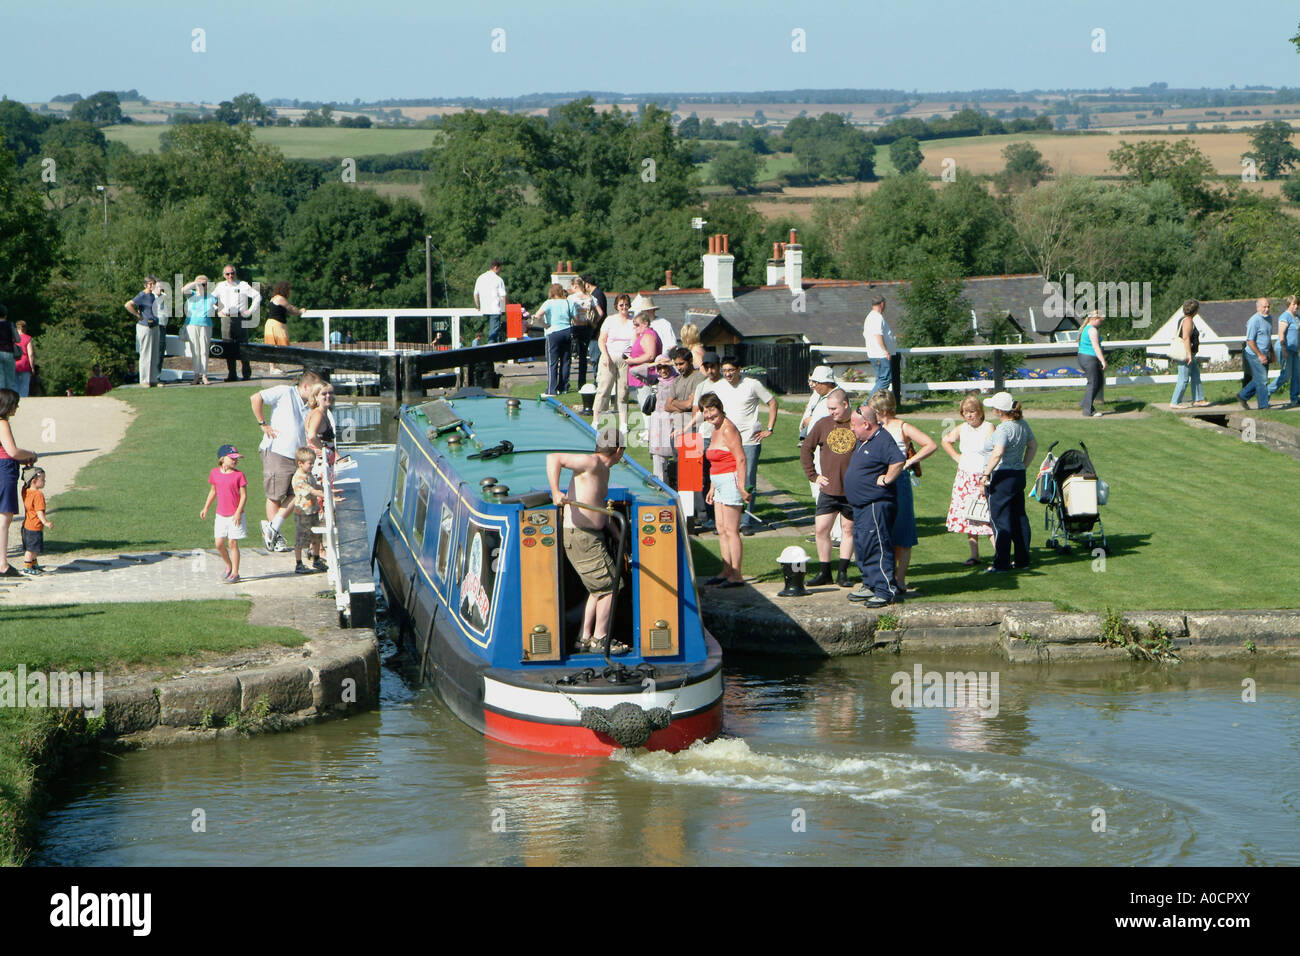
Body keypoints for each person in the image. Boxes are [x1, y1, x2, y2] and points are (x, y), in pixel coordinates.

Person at [547, 437, 628, 653]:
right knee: (611, 586)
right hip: (582, 537)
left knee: (597, 589)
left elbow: (599, 508)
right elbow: (554, 457)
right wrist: (556, 491)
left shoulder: (603, 470)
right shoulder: (591, 463)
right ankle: (600, 639)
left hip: (592, 536)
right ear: (619, 450)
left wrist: (618, 536)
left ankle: (584, 638)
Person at [869, 389, 936, 595]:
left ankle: (900, 578)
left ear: (883, 410)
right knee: (882, 531)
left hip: (900, 481)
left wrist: (909, 461)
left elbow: (930, 444)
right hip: (879, 480)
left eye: (875, 410)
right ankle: (884, 575)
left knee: (903, 530)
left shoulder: (902, 427)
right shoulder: (874, 427)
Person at [251, 370, 321, 553]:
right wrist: (262, 423)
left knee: (298, 493)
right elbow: (256, 397)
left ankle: (272, 529)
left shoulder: (310, 405)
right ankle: (276, 537)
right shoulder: (285, 392)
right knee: (275, 495)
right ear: (305, 386)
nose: (317, 394)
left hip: (297, 457)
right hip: (277, 452)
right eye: (314, 390)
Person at [843, 405, 905, 607]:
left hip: (875, 504)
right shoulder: (864, 440)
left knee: (877, 545)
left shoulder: (883, 439)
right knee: (862, 545)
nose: (852, 429)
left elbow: (898, 461)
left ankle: (885, 589)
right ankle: (869, 583)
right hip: (861, 505)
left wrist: (887, 480)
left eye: (854, 425)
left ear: (866, 424)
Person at [800, 388, 857, 587]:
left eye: (834, 408)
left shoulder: (858, 424)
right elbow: (806, 448)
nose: (831, 412)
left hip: (852, 490)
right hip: (829, 489)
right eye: (829, 408)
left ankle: (842, 572)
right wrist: (814, 476)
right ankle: (825, 572)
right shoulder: (823, 424)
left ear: (845, 405)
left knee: (848, 529)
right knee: (821, 529)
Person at [714, 356, 777, 536]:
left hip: (749, 439)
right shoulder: (718, 387)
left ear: (739, 369)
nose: (727, 374)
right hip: (727, 439)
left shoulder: (752, 384)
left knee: (747, 480)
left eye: (731, 370)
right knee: (727, 477)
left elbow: (773, 402)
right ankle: (728, 520)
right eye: (724, 371)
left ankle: (746, 520)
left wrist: (769, 428)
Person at [980, 391, 1037, 574]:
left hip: (1002, 477)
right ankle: (1022, 559)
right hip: (1018, 475)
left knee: (1000, 519)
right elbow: (1033, 445)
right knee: (1019, 517)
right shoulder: (1022, 424)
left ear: (998, 411)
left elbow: (998, 452)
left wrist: (985, 474)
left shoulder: (1003, 429)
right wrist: (1023, 465)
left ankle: (1001, 563)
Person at [698, 393, 749, 587]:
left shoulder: (728, 429)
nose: (709, 415)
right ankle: (726, 570)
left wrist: (742, 486)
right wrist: (712, 486)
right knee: (720, 529)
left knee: (731, 530)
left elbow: (741, 459)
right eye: (705, 412)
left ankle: (736, 574)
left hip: (730, 481)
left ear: (719, 407)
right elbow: (714, 462)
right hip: (718, 483)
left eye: (712, 410)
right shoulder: (715, 429)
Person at [942, 392, 996, 565]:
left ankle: (1000, 554)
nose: (970, 415)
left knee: (987, 517)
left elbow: (993, 451)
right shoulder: (962, 428)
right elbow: (946, 440)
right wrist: (956, 456)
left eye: (973, 411)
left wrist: (985, 477)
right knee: (970, 516)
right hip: (965, 477)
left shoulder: (989, 427)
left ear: (980, 412)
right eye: (966, 412)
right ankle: (975, 555)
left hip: (982, 476)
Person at [0, 389, 37, 578]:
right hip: (4, 470)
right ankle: (2, 564)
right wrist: (30, 455)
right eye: (15, 403)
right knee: (4, 518)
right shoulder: (2, 423)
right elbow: (12, 451)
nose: (17, 407)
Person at [200, 443, 248, 584]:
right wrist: (206, 508)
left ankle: (235, 573)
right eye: (232, 458)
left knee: (233, 543)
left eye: (236, 458)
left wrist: (238, 512)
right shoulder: (214, 473)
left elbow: (243, 495)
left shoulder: (239, 475)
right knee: (219, 543)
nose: (235, 460)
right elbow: (213, 491)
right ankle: (228, 565)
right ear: (222, 459)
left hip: (235, 516)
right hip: (221, 514)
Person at [689, 352, 724, 530]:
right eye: (707, 367)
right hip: (704, 436)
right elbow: (697, 411)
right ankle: (710, 515)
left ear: (718, 366)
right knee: (705, 477)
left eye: (713, 367)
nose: (710, 370)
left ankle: (724, 515)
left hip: (722, 436)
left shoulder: (726, 385)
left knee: (721, 476)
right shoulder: (702, 386)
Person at [593, 294, 635, 433]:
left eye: (626, 304)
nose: (624, 307)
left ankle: (623, 423)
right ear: (616, 306)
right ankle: (596, 420)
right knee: (604, 388)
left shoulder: (633, 321)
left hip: (625, 360)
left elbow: (635, 341)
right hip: (609, 357)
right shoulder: (610, 320)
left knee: (623, 391)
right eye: (621, 305)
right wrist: (605, 356)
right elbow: (601, 340)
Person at [214, 264, 261, 382]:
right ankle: (232, 374)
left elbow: (257, 296)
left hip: (240, 318)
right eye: (227, 274)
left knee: (243, 346)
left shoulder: (243, 285)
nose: (230, 276)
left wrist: (250, 311)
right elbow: (210, 299)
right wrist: (217, 310)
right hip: (226, 318)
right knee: (228, 346)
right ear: (223, 275)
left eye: (232, 273)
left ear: (235, 273)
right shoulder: (220, 286)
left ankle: (246, 374)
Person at [290, 446, 329, 575]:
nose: (312, 466)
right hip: (303, 514)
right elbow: (312, 490)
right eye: (310, 464)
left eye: (313, 463)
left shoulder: (308, 474)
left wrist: (328, 489)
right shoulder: (299, 478)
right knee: (301, 539)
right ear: (300, 464)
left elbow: (315, 486)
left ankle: (316, 559)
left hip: (313, 511)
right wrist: (329, 496)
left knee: (317, 536)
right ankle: (299, 563)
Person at [1169, 299, 1209, 408]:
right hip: (1186, 354)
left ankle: (1198, 399)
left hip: (1189, 354)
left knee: (1196, 375)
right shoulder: (1188, 321)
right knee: (1183, 379)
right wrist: (1189, 355)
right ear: (1195, 310)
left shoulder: (1183, 319)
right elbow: (1186, 338)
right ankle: (1175, 402)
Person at [537, 283, 575, 396]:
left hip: (553, 332)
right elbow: (575, 317)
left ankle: (551, 389)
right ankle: (563, 387)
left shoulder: (549, 303)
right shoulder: (568, 302)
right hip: (567, 331)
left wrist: (544, 325)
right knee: (565, 361)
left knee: (552, 362)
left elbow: (538, 315)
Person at [125, 276, 161, 387]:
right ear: (145, 285)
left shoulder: (153, 296)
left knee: (154, 353)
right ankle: (144, 380)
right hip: (145, 326)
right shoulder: (142, 295)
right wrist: (137, 314)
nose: (151, 286)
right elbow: (128, 304)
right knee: (146, 353)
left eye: (153, 284)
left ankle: (153, 379)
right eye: (149, 284)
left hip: (154, 325)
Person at [1238, 297, 1274, 410]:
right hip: (1254, 353)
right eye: (1264, 307)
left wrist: (1272, 352)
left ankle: (1243, 395)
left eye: (1268, 307)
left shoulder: (1269, 319)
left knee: (1260, 379)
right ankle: (1263, 407)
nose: (1267, 309)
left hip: (1265, 352)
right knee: (1263, 380)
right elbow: (1250, 341)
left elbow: (1268, 337)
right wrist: (1260, 355)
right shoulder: (1254, 321)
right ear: (1258, 307)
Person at [180, 275, 216, 385]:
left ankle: (204, 375)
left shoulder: (211, 297)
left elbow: (220, 308)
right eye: (201, 284)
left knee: (204, 350)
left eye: (204, 285)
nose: (202, 286)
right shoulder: (192, 295)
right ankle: (196, 375)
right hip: (192, 324)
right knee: (195, 351)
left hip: (206, 324)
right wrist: (196, 284)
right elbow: (183, 290)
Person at [648, 354, 678, 480]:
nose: (663, 370)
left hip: (674, 420)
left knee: (679, 456)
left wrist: (671, 363)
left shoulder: (678, 380)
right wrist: (655, 364)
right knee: (658, 460)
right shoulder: (655, 380)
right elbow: (634, 371)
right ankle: (661, 488)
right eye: (660, 368)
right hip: (658, 425)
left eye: (665, 367)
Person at [264, 280, 302, 377]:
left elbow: (285, 310)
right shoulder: (280, 299)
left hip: (272, 324)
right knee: (277, 346)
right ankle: (273, 368)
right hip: (276, 325)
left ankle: (275, 367)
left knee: (273, 346)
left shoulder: (274, 298)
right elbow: (291, 309)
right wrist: (301, 311)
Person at [1268, 295, 1300, 406]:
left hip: (1294, 350)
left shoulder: (1297, 317)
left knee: (1297, 374)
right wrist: (1283, 348)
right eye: (1293, 304)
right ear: (1288, 305)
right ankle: (1266, 392)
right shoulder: (1285, 316)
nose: (1296, 306)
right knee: (1286, 375)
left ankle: (1294, 398)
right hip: (1285, 348)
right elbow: (1281, 333)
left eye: (1297, 304)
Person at [20, 466, 51, 575]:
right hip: (34, 526)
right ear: (34, 481)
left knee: (33, 548)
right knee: (31, 549)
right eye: (42, 479)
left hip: (26, 525)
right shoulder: (38, 495)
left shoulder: (26, 491)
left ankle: (34, 564)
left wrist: (28, 469)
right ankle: (27, 566)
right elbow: (39, 511)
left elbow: (24, 485)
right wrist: (45, 522)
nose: (44, 481)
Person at [863, 296, 895, 395]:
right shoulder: (877, 317)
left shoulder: (871, 316)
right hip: (880, 355)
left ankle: (876, 405)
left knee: (881, 380)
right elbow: (878, 335)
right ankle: (869, 404)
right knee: (885, 379)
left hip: (875, 354)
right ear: (882, 304)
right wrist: (885, 350)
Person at [567, 277, 595, 391]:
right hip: (587, 326)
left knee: (569, 356)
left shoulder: (571, 298)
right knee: (583, 357)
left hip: (575, 327)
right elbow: (595, 312)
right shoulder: (589, 298)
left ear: (574, 286)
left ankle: (565, 383)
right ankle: (581, 383)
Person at [1078, 309, 1107, 417]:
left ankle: (1085, 402)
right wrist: (1103, 361)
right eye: (1100, 320)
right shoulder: (1092, 330)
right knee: (1094, 383)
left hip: (1083, 357)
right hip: (1090, 358)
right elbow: (1096, 347)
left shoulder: (1085, 328)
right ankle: (1088, 410)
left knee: (1099, 381)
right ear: (1094, 319)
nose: (1101, 323)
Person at [625, 310, 662, 390]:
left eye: (637, 325)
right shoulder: (643, 335)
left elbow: (650, 356)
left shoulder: (648, 335)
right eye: (634, 325)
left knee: (645, 400)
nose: (635, 327)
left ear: (645, 323)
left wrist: (633, 361)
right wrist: (636, 335)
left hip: (645, 377)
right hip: (640, 377)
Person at [474, 259, 508, 344]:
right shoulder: (498, 279)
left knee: (482, 332)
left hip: (483, 310)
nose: (500, 271)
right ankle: (491, 352)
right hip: (495, 310)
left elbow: (475, 294)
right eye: (500, 269)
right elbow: (503, 297)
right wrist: (504, 310)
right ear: (496, 267)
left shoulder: (480, 278)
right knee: (493, 334)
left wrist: (478, 306)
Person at [305, 381, 338, 463]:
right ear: (316, 397)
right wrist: (324, 450)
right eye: (324, 394)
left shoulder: (321, 413)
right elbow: (312, 436)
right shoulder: (318, 414)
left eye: (330, 393)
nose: (328, 396)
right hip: (319, 463)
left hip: (324, 461)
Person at [582, 273, 607, 376]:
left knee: (596, 359)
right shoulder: (597, 294)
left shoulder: (597, 295)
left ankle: (598, 382)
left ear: (587, 284)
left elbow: (600, 314)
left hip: (597, 334)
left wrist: (593, 325)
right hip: (596, 333)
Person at [13, 320, 34, 397]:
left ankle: (15, 402)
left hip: (14, 363)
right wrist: (32, 367)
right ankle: (23, 402)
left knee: (14, 384)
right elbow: (30, 354)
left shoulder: (12, 339)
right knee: (24, 386)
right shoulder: (28, 338)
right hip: (24, 363)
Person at [0, 307, 17, 392]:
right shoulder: (10, 324)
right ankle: (9, 399)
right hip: (8, 352)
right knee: (10, 379)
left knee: (0, 379)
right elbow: (18, 339)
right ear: (5, 314)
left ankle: (2, 399)